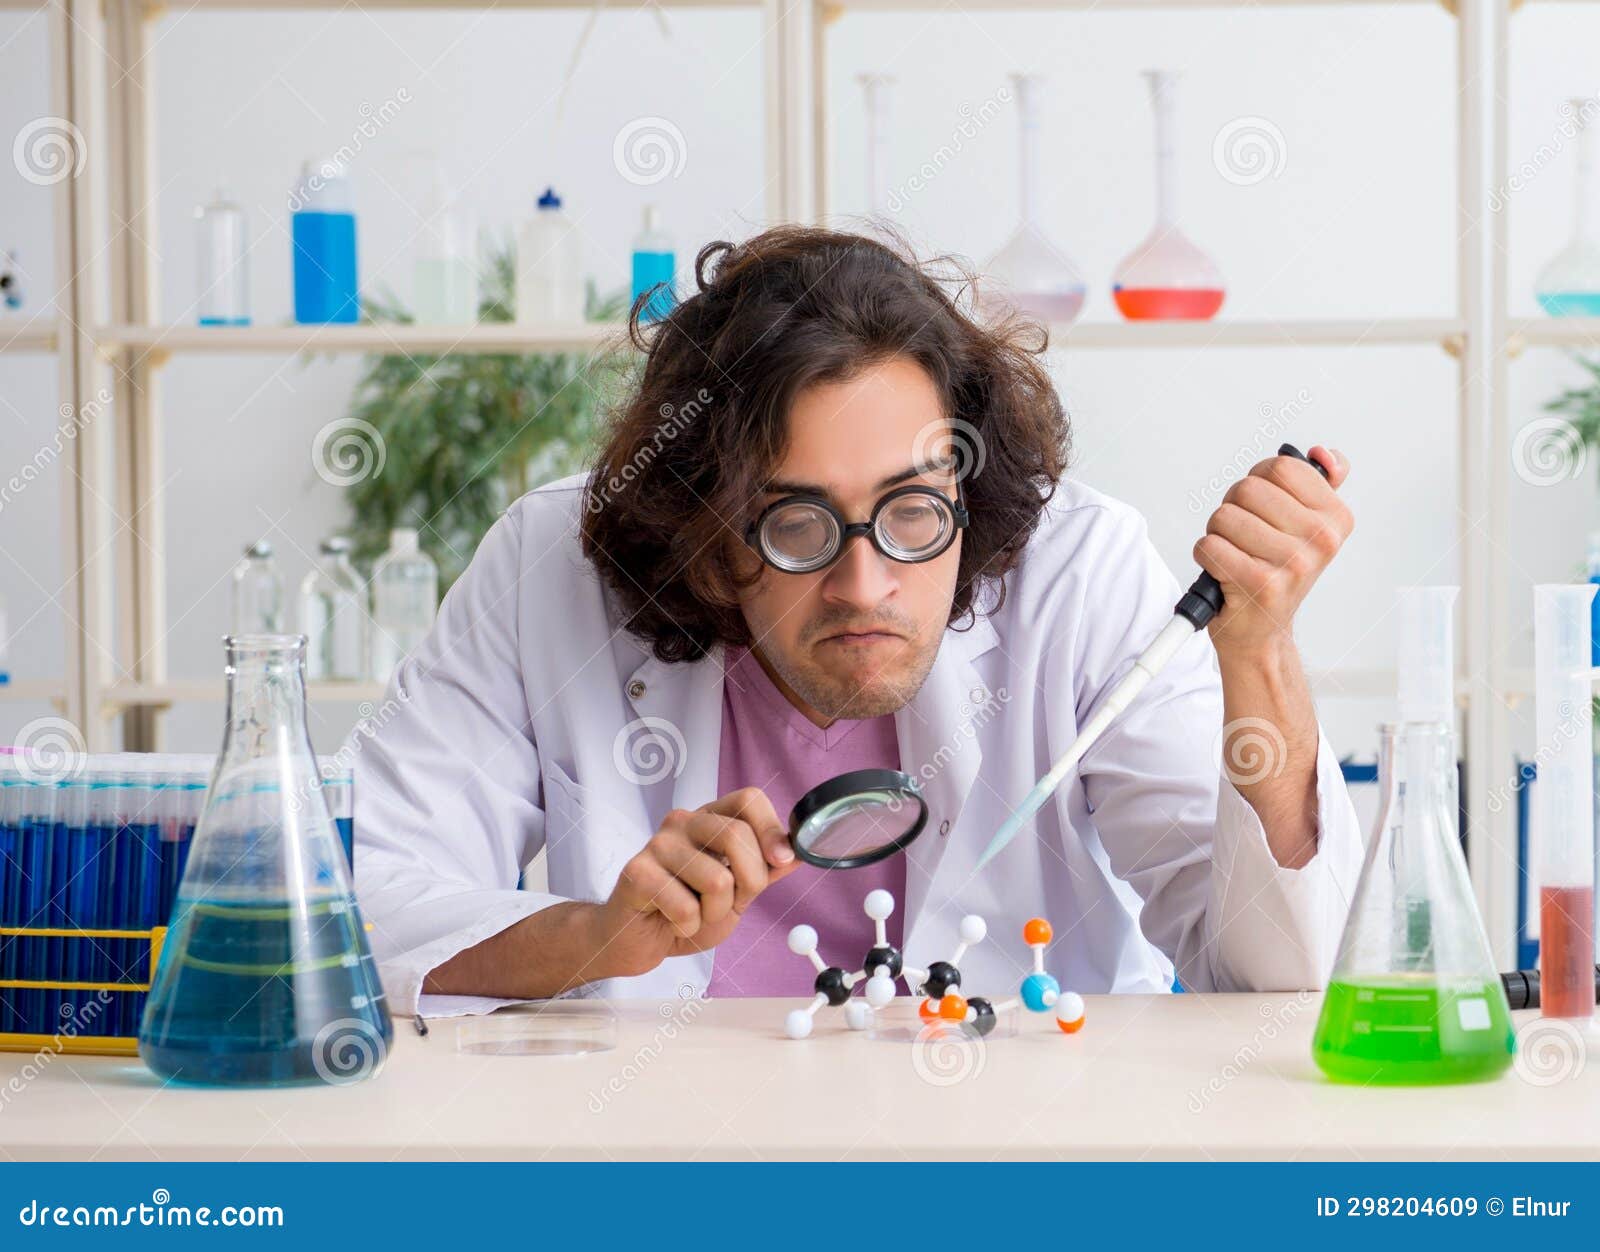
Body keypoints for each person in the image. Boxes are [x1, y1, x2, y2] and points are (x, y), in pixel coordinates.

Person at [352, 225, 1361, 1015]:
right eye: (796, 522)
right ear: (704, 529)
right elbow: (358, 903)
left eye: (914, 509)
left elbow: (1283, 972)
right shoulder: (551, 570)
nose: (864, 583)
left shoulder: (1080, 573)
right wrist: (599, 937)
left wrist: (1259, 650)